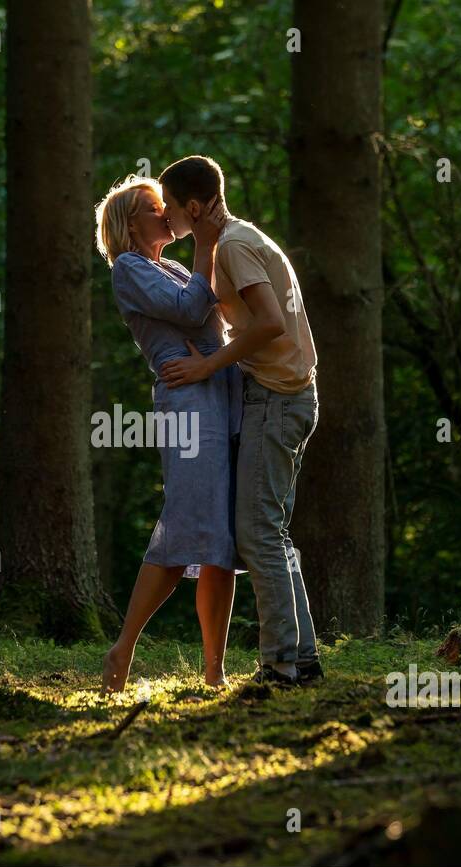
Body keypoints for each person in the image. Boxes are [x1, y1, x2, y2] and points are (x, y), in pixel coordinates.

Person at [157, 155, 323, 687]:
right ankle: (302, 656)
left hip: (278, 400)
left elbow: (271, 323)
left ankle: (279, 664)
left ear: (196, 206)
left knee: (257, 536)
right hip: (283, 396)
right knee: (270, 532)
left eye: (172, 213)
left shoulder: (233, 246)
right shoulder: (235, 239)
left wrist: (208, 363)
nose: (168, 224)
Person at [92, 174, 243, 691]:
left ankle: (214, 671)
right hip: (187, 403)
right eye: (156, 207)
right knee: (184, 531)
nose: (168, 212)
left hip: (219, 394)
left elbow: (214, 316)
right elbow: (188, 310)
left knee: (220, 539)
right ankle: (122, 648)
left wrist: (217, 355)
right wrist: (206, 242)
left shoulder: (173, 267)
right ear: (131, 223)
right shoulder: (128, 270)